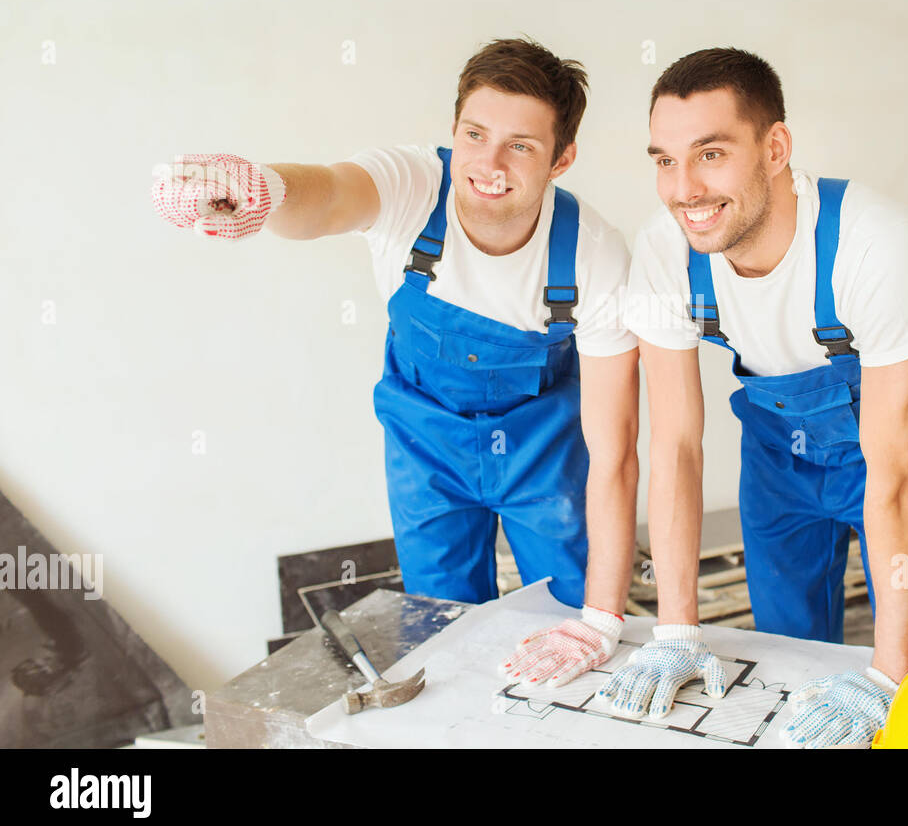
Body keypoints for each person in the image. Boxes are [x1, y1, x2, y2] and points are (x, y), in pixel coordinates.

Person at [151, 38, 641, 685]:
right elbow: (326, 194)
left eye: (520, 144)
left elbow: (614, 451)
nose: (488, 162)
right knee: (440, 628)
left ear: (561, 158)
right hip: (426, 447)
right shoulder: (412, 186)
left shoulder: (595, 256)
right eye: (475, 133)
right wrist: (263, 189)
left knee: (571, 617)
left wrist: (603, 620)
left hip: (542, 450)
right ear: (455, 130)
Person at [600, 47, 908, 747]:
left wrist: (889, 677)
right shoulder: (666, 253)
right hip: (779, 451)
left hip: (897, 442)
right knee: (789, 651)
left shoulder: (875, 242)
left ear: (775, 148)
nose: (684, 189)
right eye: (665, 160)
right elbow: (675, 445)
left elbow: (893, 478)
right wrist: (678, 630)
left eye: (710, 154)